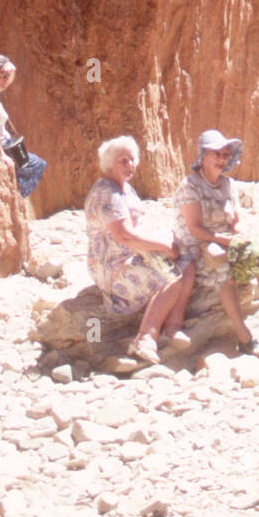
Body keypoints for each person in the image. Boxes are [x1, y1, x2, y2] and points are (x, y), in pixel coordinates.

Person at [173, 130, 259, 349]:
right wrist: (223, 240)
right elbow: (195, 228)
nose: (222, 159)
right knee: (226, 275)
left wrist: (240, 235)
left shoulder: (228, 185)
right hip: (198, 246)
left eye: (225, 155)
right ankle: (244, 337)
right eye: (217, 154)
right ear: (203, 156)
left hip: (224, 240)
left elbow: (236, 219)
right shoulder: (189, 186)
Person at [84, 137, 196, 364]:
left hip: (134, 254)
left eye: (132, 159)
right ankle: (145, 338)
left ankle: (173, 327)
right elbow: (124, 236)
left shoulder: (125, 189)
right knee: (172, 277)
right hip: (114, 265)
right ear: (109, 164)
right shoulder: (107, 194)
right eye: (123, 160)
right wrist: (163, 246)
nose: (130, 165)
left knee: (189, 265)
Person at [0, 54, 46, 198]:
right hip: (3, 146)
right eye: (2, 75)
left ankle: (14, 195)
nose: (6, 80)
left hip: (4, 144)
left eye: (7, 76)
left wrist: (6, 68)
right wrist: (1, 154)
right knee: (37, 164)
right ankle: (16, 196)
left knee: (36, 163)